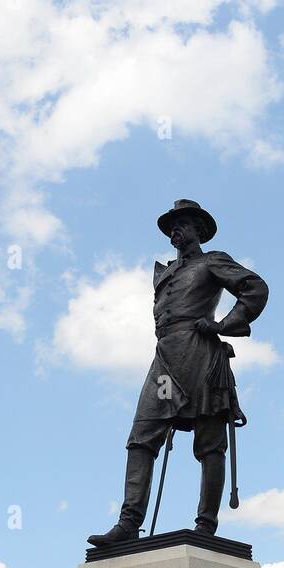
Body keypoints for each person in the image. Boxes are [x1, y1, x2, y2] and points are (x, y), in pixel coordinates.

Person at [87, 199, 268, 547]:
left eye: (182, 223)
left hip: (200, 355)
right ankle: (128, 522)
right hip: (166, 362)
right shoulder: (166, 272)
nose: (175, 230)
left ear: (198, 229)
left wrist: (225, 324)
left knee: (209, 442)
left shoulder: (212, 261)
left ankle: (206, 524)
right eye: (172, 225)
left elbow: (254, 287)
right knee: (142, 434)